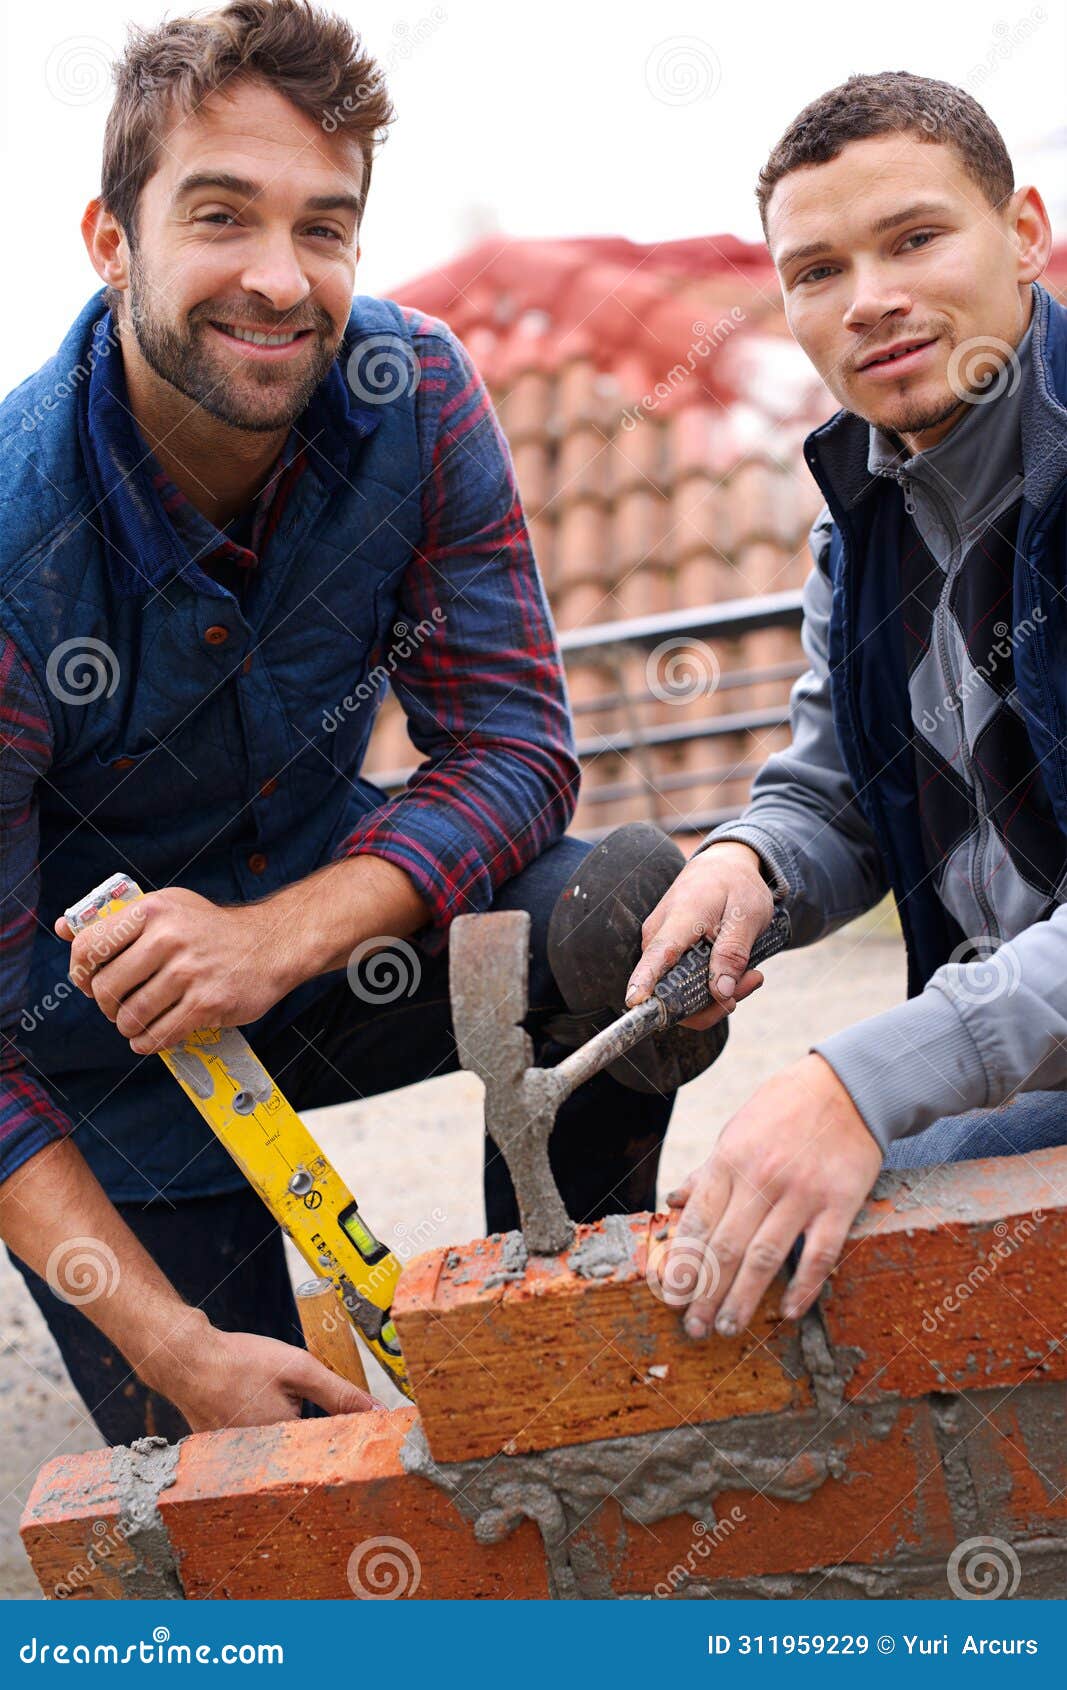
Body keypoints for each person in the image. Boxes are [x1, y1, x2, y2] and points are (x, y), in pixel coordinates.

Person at [0, 0, 675, 1445]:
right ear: (111, 240)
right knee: (257, 1478)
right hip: (108, 1064)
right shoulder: (11, 541)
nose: (278, 277)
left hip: (334, 948)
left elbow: (514, 750)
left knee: (622, 921)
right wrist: (178, 1348)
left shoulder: (409, 393)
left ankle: (567, 1369)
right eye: (220, 215)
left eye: (324, 226)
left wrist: (275, 939)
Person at [627, 72, 1065, 1346]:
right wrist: (748, 863)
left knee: (807, 1264)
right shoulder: (861, 513)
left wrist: (864, 1081)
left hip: (1014, 1058)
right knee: (748, 1235)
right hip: (1017, 1054)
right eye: (815, 271)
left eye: (913, 238)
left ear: (1023, 232)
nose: (866, 299)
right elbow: (832, 792)